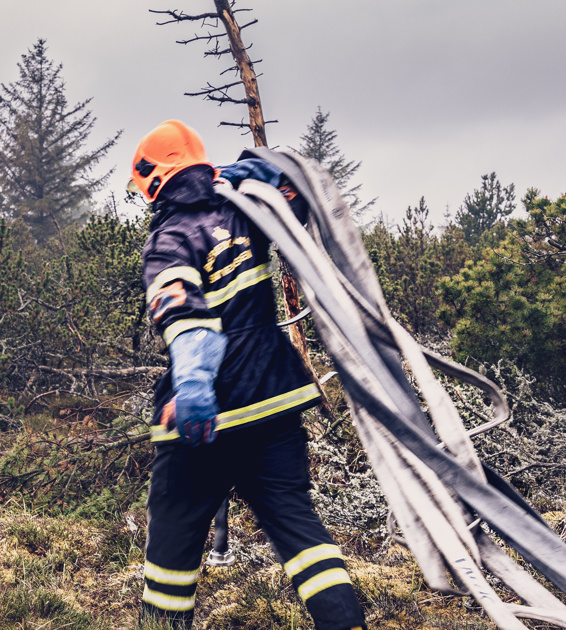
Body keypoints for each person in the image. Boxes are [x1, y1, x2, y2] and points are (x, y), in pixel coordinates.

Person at [131, 120, 366, 630]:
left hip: (203, 421)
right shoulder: (244, 207)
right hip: (274, 402)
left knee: (172, 545)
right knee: (300, 531)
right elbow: (293, 192)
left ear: (151, 180)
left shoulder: (169, 239)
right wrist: (248, 170)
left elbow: (185, 318)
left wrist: (193, 385)